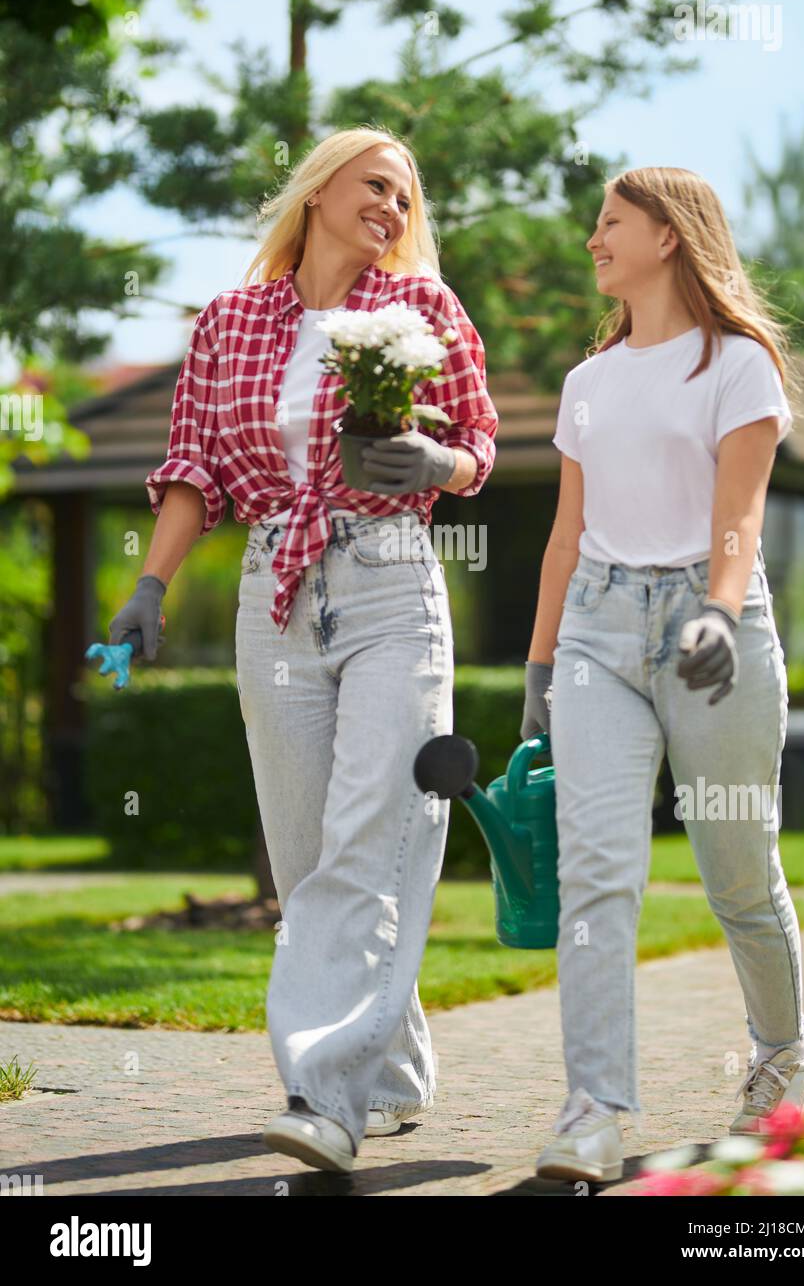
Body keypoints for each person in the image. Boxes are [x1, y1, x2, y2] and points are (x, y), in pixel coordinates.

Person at [109, 126, 498, 1174]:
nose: (391, 209)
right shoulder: (231, 319)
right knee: (308, 853)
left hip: (386, 579)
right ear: (319, 187)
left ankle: (324, 1092)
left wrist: (437, 457)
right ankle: (397, 1071)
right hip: (270, 587)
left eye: (405, 199)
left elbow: (479, 446)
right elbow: (191, 463)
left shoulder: (422, 310)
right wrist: (149, 585)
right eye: (375, 185)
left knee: (377, 827)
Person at [521, 166, 804, 1185]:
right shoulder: (586, 383)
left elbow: (738, 515)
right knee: (596, 875)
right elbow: (563, 537)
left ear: (666, 235)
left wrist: (717, 613)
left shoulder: (734, 365)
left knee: (736, 872)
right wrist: (538, 662)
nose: (593, 239)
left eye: (610, 222)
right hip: (599, 628)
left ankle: (781, 1054)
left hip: (709, 625)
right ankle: (592, 1111)